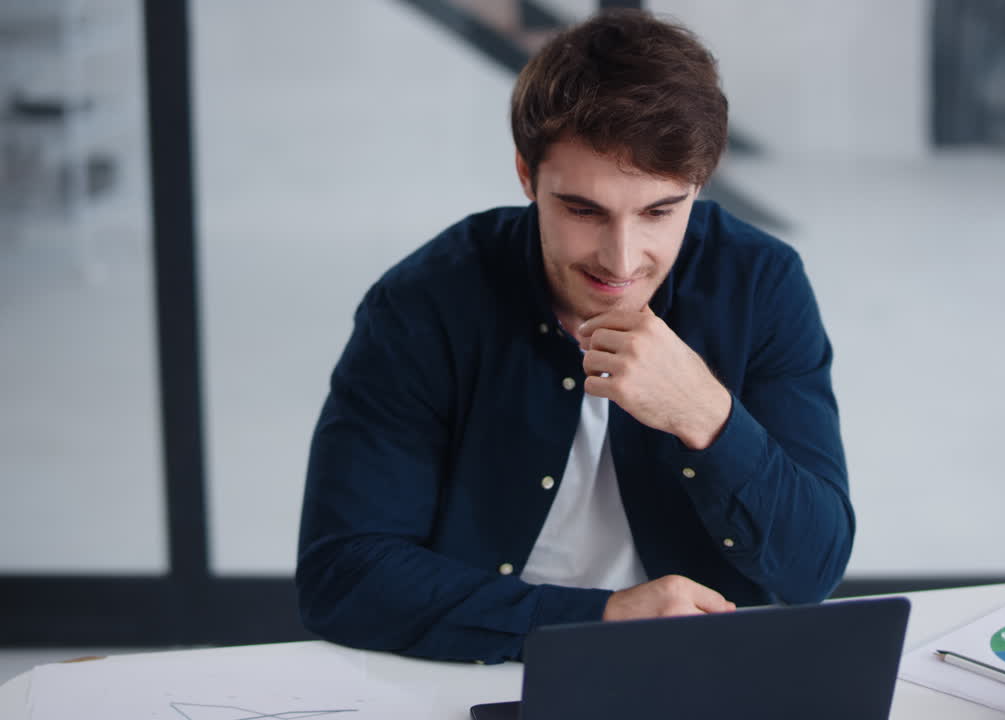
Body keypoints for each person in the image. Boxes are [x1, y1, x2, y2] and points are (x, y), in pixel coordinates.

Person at [296, 8, 853, 664]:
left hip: (696, 676)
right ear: (527, 175)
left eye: (659, 212)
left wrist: (706, 416)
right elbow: (345, 573)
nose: (621, 260)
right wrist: (600, 619)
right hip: (484, 671)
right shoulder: (426, 302)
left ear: (698, 187)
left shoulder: (760, 286)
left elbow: (812, 570)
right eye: (583, 210)